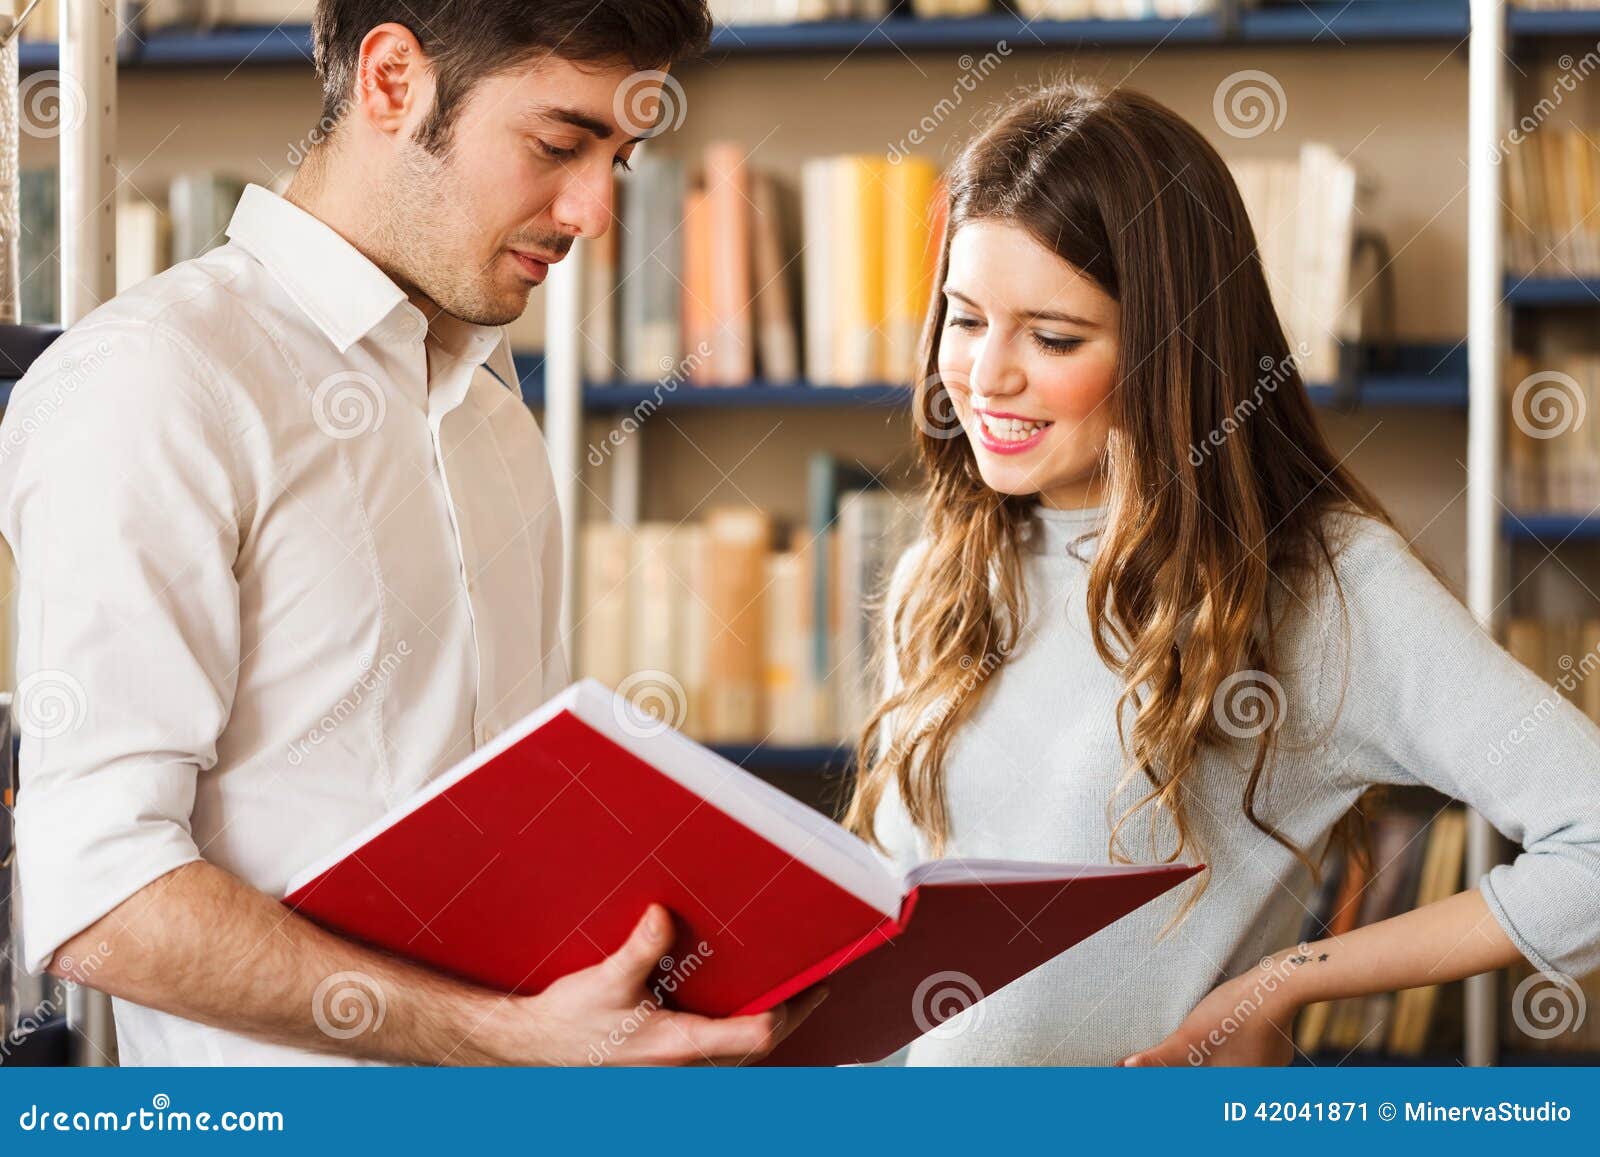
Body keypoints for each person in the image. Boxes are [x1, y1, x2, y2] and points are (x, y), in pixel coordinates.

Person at [0, 0, 821, 1066]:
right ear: (392, 81)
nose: (593, 211)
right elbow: (100, 892)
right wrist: (510, 1038)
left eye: (618, 158)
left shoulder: (488, 400)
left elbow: (527, 821)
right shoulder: (155, 380)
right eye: (559, 144)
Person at [844, 79, 1600, 1066]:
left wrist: (1285, 981)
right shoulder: (935, 576)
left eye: (1052, 335)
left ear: (1169, 347)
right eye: (963, 317)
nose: (986, 374)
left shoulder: (1316, 588)